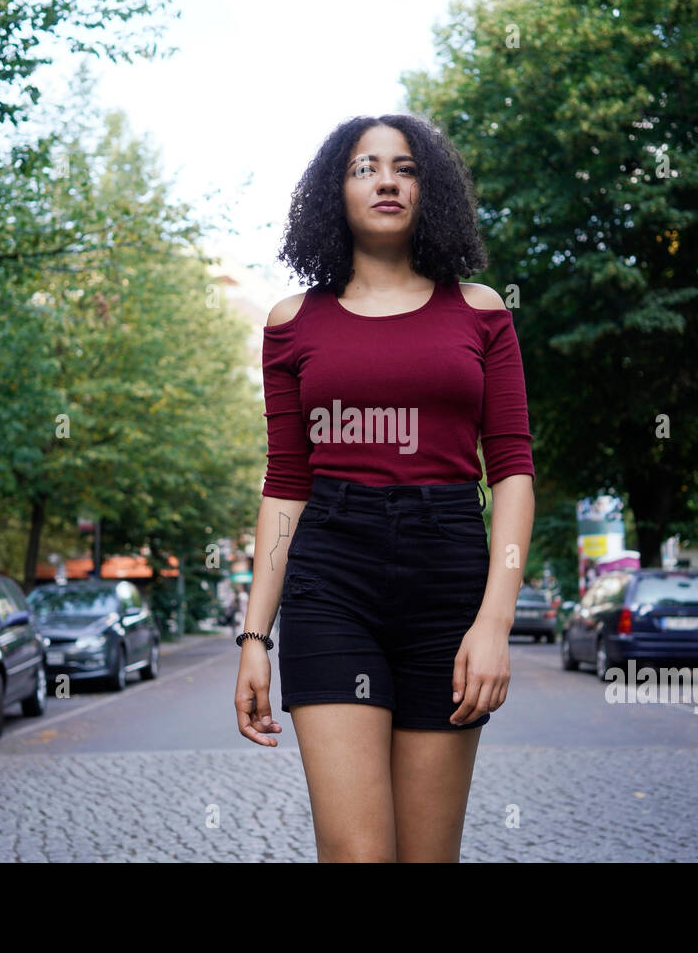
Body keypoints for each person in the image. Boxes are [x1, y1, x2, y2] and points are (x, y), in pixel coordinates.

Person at [233, 115, 536, 862]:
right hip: (332, 580)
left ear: (429, 191)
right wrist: (254, 636)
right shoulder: (292, 323)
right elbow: (286, 482)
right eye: (364, 168)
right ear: (333, 193)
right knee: (358, 854)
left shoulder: (482, 311)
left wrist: (495, 622)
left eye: (405, 167)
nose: (386, 181)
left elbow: (511, 470)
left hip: (448, 580)